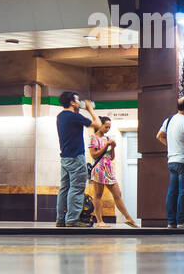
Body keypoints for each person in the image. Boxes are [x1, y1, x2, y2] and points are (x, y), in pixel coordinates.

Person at [55, 91, 102, 227]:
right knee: (76, 188)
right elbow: (97, 124)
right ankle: (72, 220)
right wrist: (91, 109)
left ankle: (60, 219)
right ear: (72, 102)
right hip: (76, 157)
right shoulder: (74, 116)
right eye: (77, 100)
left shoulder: (61, 116)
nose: (79, 102)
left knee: (64, 188)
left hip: (65, 158)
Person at [156, 97, 184, 229]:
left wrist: (172, 147)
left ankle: (171, 222)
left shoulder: (169, 120)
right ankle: (182, 221)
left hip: (172, 161)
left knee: (172, 191)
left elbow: (159, 136)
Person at [88, 116, 137, 228]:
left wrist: (113, 147)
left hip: (108, 168)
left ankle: (128, 218)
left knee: (117, 194)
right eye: (106, 127)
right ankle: (99, 221)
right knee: (98, 195)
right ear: (100, 125)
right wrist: (106, 145)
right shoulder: (93, 138)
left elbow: (111, 157)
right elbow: (94, 155)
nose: (107, 129)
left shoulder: (107, 138)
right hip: (99, 168)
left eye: (109, 127)